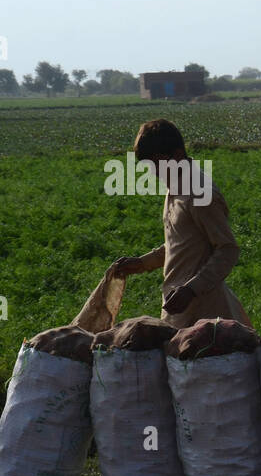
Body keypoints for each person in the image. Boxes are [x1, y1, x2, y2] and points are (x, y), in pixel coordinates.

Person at [108, 119, 252, 328]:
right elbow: (181, 244)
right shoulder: (175, 188)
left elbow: (227, 249)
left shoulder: (200, 193)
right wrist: (142, 263)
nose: (154, 172)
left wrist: (191, 289)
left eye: (157, 164)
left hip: (207, 315)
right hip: (178, 309)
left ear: (176, 155)